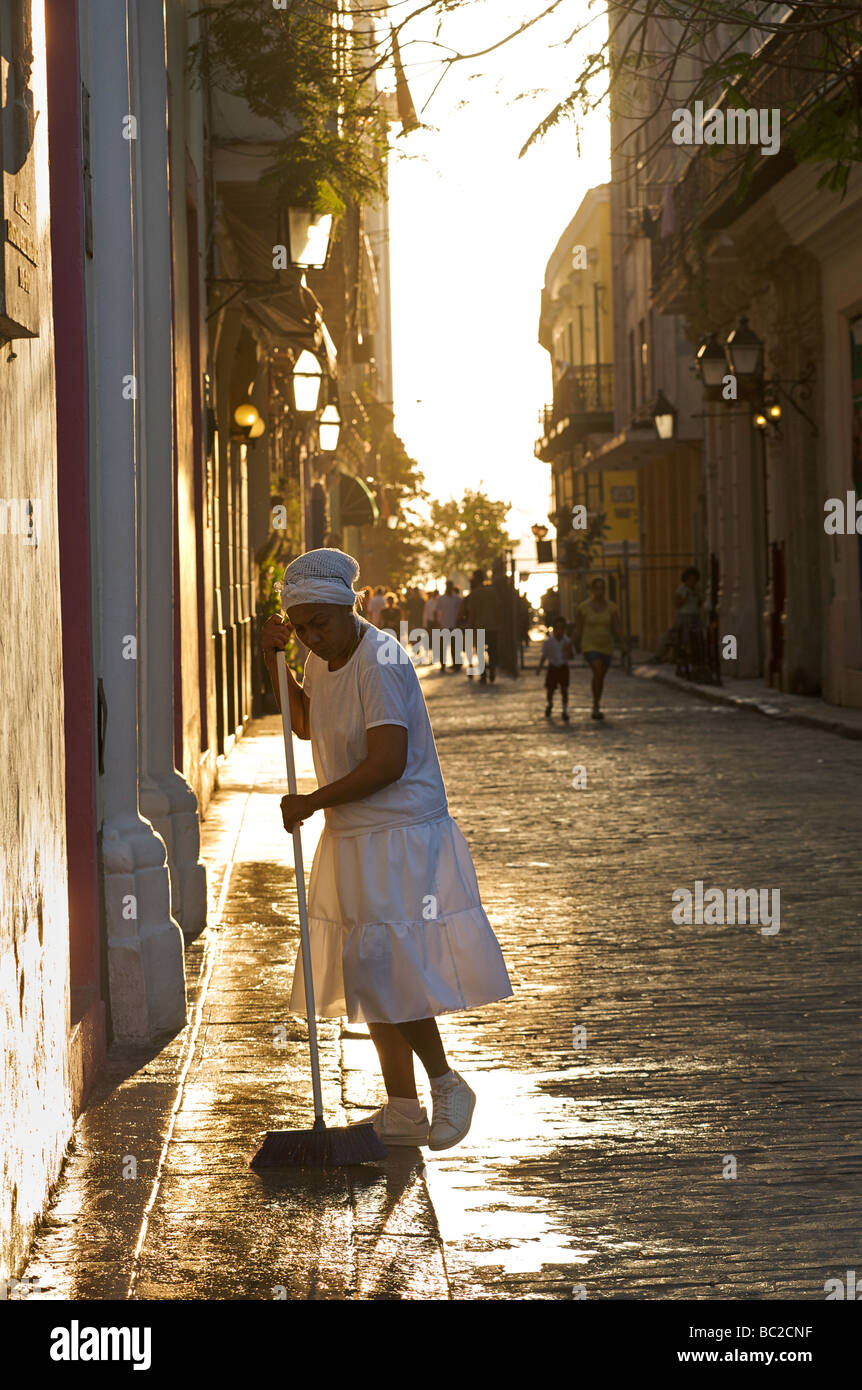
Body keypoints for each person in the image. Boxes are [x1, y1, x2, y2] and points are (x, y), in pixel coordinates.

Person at [260, 548, 512, 1150]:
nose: (312, 637)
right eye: (301, 628)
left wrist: (313, 801)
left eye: (320, 623)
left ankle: (447, 1083)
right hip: (355, 833)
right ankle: (402, 1106)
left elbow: (388, 762)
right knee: (368, 971)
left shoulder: (381, 661)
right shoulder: (321, 658)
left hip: (400, 832)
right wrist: (271, 659)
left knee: (389, 968)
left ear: (350, 608)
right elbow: (305, 723)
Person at [572, 576, 623, 720]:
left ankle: (596, 702)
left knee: (600, 676)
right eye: (597, 588)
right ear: (592, 590)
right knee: (597, 670)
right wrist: (570, 644)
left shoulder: (612, 608)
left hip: (606, 645)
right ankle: (595, 704)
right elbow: (578, 628)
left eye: (602, 588)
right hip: (589, 645)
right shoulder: (583, 608)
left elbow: (617, 627)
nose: (600, 591)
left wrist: (623, 643)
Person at [460, 569, 500, 683]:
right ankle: (492, 670)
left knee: (480, 652)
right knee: (492, 650)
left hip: (479, 627)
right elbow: (498, 609)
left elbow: (472, 613)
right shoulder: (492, 592)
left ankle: (483, 676)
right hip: (492, 626)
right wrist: (498, 623)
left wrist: (470, 626)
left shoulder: (474, 594)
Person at [536, 617, 574, 721]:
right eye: (557, 628)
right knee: (550, 690)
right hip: (553, 668)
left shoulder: (567, 641)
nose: (560, 631)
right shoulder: (549, 642)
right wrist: (539, 668)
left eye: (562, 628)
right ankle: (550, 703)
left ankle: (564, 710)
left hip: (563, 667)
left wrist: (568, 651)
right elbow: (544, 656)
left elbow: (571, 656)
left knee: (564, 689)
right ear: (554, 629)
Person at [435, 580, 464, 673]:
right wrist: (437, 622)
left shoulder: (457, 599)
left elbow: (460, 612)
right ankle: (442, 665)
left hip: (454, 626)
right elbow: (436, 611)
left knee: (455, 647)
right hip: (443, 625)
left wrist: (459, 622)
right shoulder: (441, 599)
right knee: (442, 647)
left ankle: (456, 664)